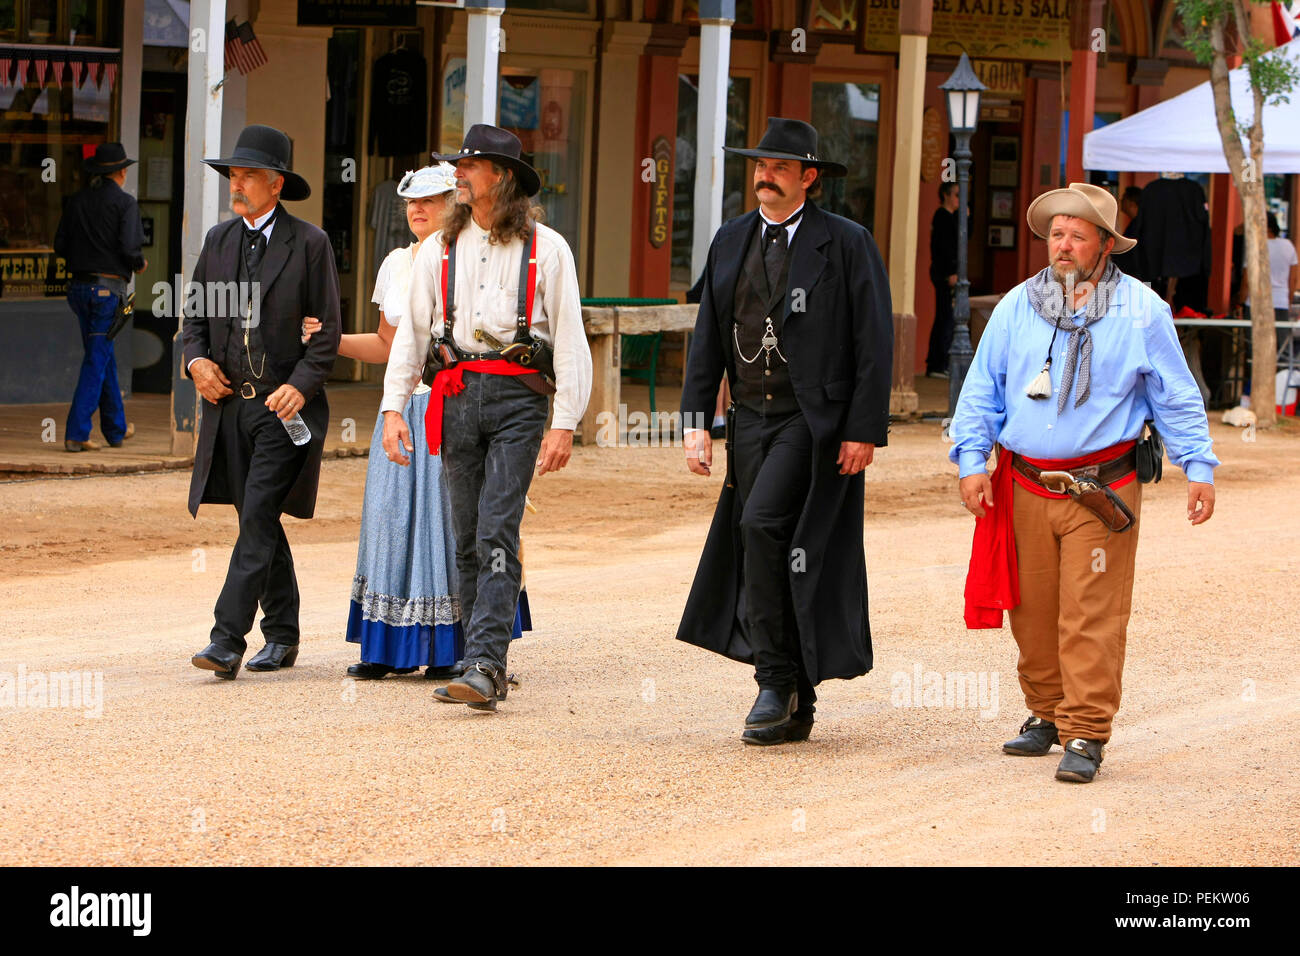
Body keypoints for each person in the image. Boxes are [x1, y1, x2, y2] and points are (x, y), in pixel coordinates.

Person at [950, 182, 1218, 783]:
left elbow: (1175, 397)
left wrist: (1196, 466)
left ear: (1103, 244)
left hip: (1103, 490)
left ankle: (1087, 732)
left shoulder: (1144, 310)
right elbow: (981, 390)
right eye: (1055, 234)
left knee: (1090, 612)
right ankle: (1046, 715)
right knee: (1034, 611)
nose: (1062, 245)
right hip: (1023, 483)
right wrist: (972, 461)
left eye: (1076, 234)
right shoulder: (1018, 305)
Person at [677, 117, 893, 745]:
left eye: (778, 168)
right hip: (748, 417)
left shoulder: (847, 243)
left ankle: (773, 679)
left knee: (760, 524)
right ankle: (796, 693)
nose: (764, 176)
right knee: (764, 546)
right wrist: (698, 423)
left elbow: (873, 342)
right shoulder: (730, 240)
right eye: (759, 166)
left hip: (813, 421)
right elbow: (708, 337)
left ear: (809, 178)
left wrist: (864, 429)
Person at [381, 124, 592, 712]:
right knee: (466, 532)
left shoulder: (547, 248)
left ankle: (485, 663)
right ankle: (478, 656)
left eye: (468, 165)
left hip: (519, 398)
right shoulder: (435, 251)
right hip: (452, 391)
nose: (458, 175)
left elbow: (571, 339)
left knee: (498, 527)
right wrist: (394, 408)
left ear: (498, 176)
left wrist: (565, 419)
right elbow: (411, 337)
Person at [302, 165, 531, 679]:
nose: (418, 210)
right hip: (406, 406)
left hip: (454, 403)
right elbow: (387, 345)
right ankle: (388, 648)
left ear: (458, 201)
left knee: (457, 525)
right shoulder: (395, 264)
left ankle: (461, 649)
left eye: (432, 199)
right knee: (392, 520)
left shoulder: (475, 256)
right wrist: (328, 340)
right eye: (411, 202)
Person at [182, 125, 341, 680]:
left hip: (283, 410)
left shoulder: (311, 243)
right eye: (233, 174)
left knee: (256, 515)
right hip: (230, 407)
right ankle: (283, 634)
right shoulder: (218, 241)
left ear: (276, 185)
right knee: (260, 520)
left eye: (247, 175)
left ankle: (226, 640)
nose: (236, 183)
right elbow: (194, 321)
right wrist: (195, 363)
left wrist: (301, 382)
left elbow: (326, 334)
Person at [54, 143, 147, 452]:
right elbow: (130, 249)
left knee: (101, 354)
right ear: (121, 171)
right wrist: (140, 263)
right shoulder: (125, 204)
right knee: (97, 359)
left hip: (78, 290)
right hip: (107, 293)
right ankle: (77, 433)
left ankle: (116, 430)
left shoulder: (77, 201)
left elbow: (60, 246)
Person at [926, 181, 959, 378]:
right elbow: (944, 248)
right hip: (945, 275)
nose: (958, 199)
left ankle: (939, 362)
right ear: (946, 195)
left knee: (947, 318)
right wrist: (950, 273)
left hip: (947, 273)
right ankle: (937, 363)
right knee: (945, 318)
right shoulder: (942, 217)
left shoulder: (951, 218)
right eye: (956, 195)